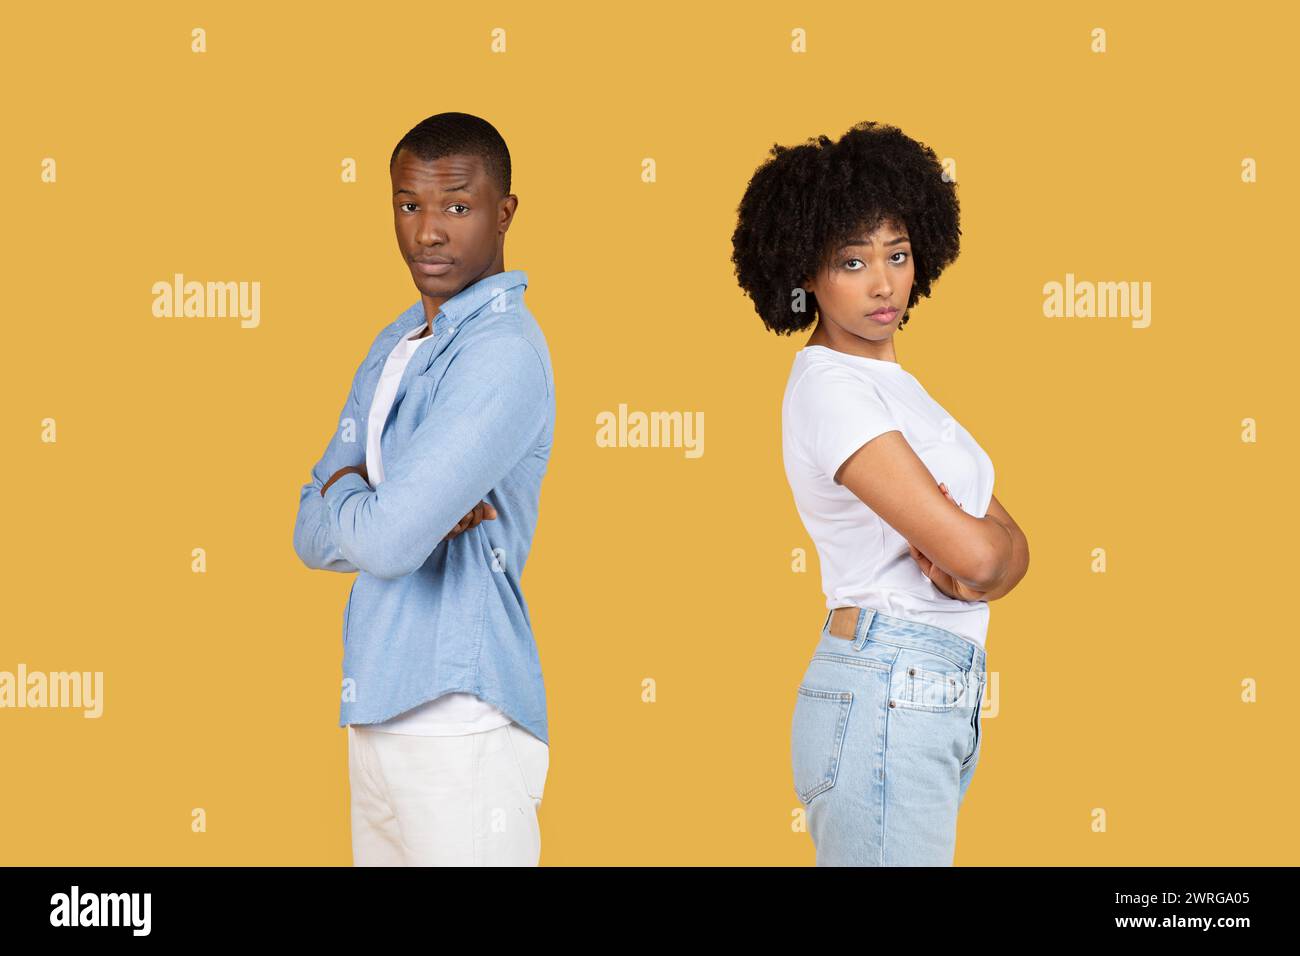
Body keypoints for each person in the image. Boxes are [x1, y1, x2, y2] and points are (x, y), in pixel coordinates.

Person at [730, 121, 1030, 866]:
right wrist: (988, 556)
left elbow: (1007, 553)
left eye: (896, 254)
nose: (883, 282)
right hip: (890, 681)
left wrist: (992, 557)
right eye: (852, 261)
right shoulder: (831, 390)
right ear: (805, 273)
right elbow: (982, 556)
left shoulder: (898, 391)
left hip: (928, 686)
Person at [292, 112, 554, 866]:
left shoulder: (503, 354)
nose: (429, 232)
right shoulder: (397, 343)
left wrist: (369, 505)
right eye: (409, 206)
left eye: (457, 207)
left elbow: (386, 538)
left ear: (504, 213)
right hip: (374, 712)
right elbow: (311, 532)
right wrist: (375, 504)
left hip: (458, 721)